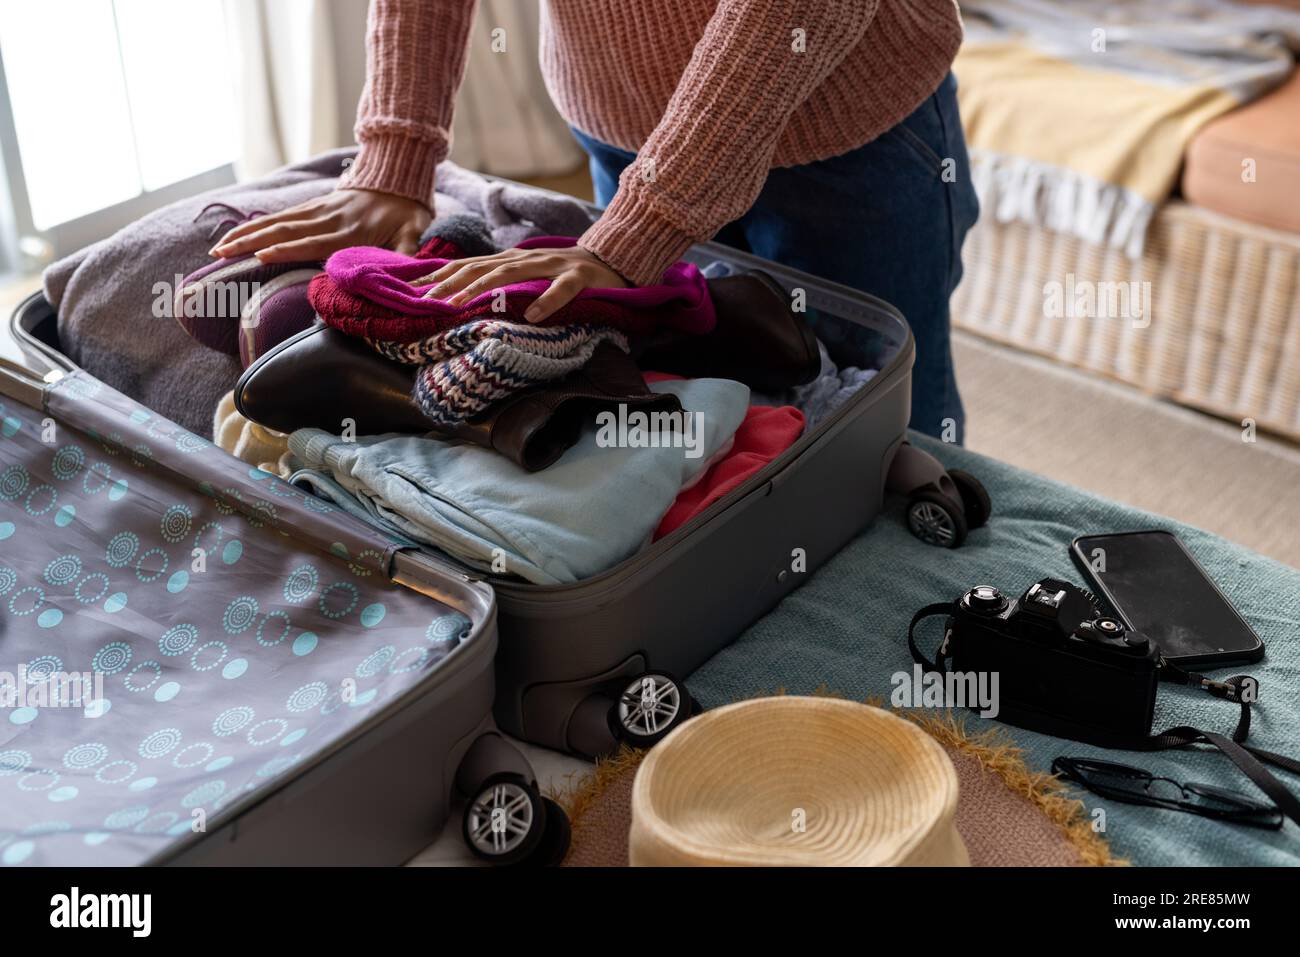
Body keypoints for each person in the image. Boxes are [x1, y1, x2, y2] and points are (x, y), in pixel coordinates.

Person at [212, 0, 978, 440]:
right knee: (698, 414)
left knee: (887, 433)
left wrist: (648, 221)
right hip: (622, 123)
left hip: (853, 133)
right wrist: (396, 150)